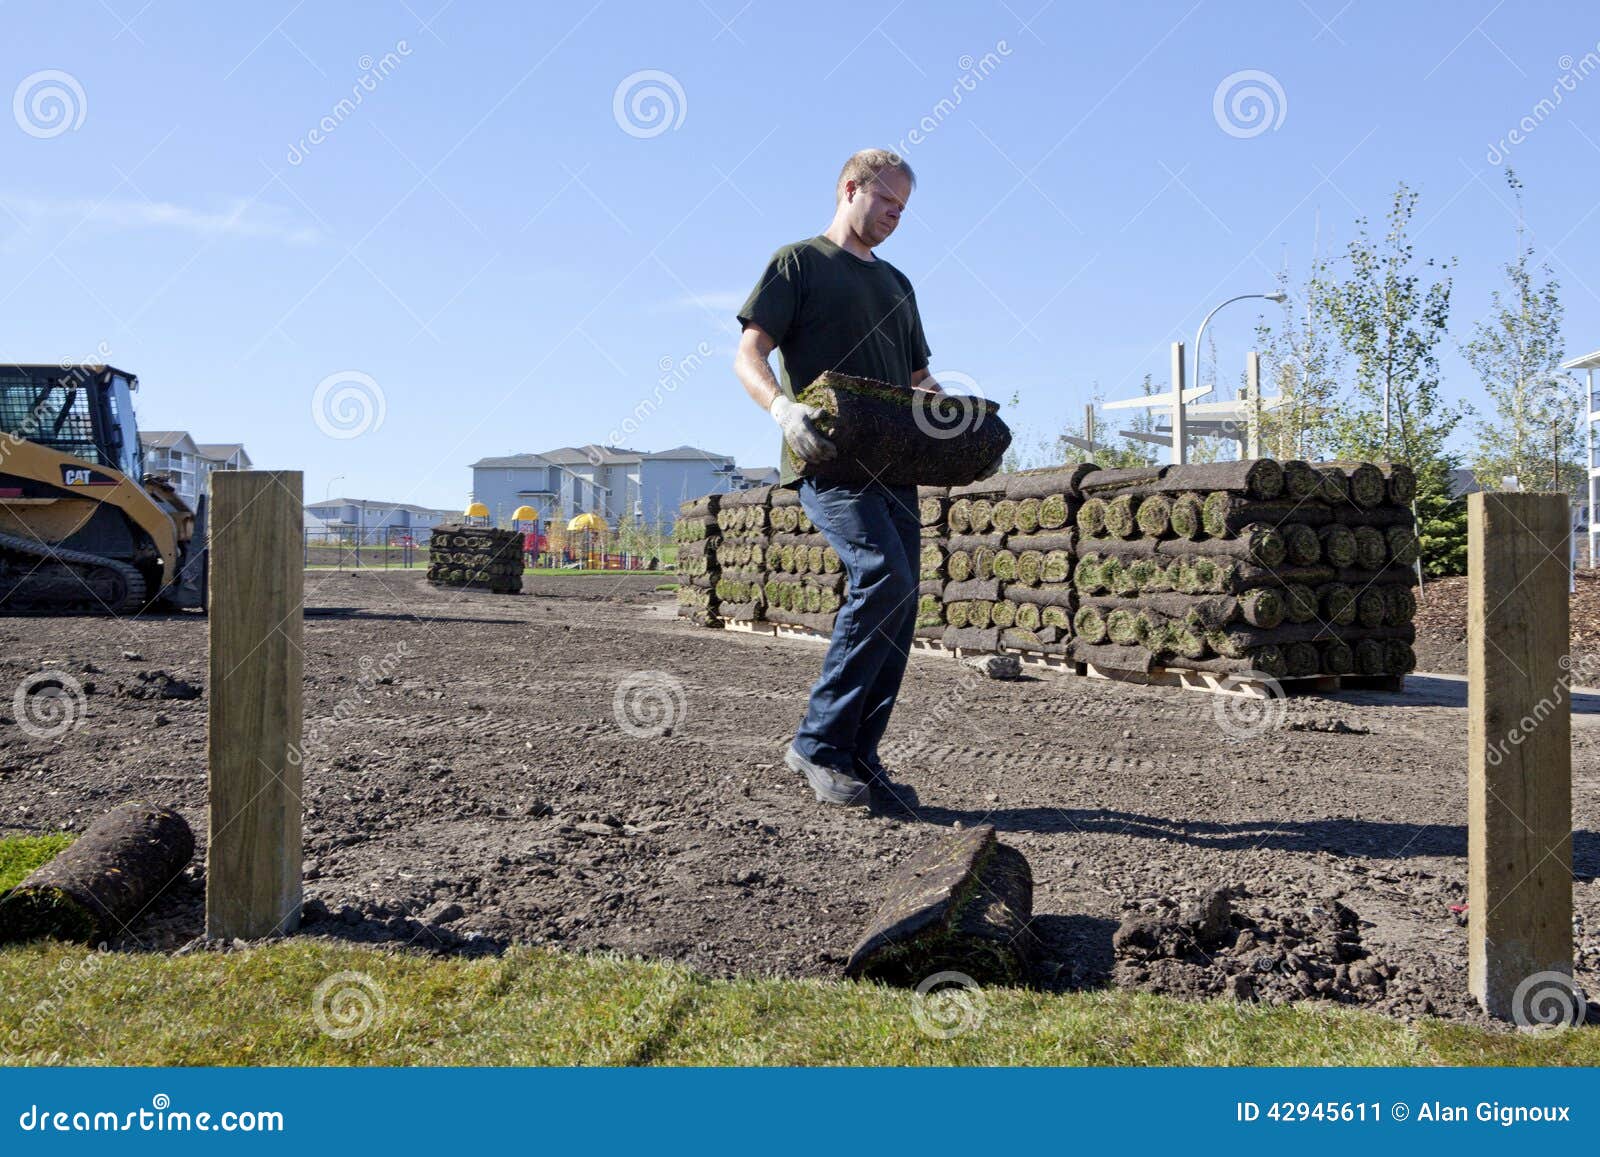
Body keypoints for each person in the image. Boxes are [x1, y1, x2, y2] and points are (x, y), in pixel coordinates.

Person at [733, 148, 1000, 809]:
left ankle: (858, 751)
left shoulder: (897, 286)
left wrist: (962, 429)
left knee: (900, 600)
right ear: (851, 188)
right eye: (888, 203)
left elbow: (917, 383)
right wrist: (781, 407)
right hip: (829, 457)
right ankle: (819, 743)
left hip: (894, 467)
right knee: (883, 575)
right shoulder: (798, 264)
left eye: (904, 210)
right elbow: (748, 353)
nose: (895, 217)